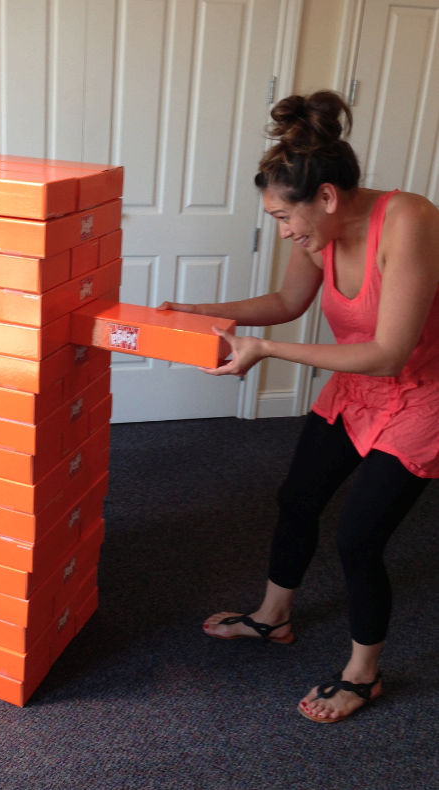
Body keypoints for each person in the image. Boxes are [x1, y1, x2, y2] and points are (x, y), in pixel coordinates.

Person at [158, 91, 439, 724]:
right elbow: (288, 301)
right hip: (356, 386)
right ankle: (272, 618)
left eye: (287, 218)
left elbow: (391, 353)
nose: (285, 231)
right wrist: (203, 314)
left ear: (328, 197)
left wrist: (266, 350)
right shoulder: (320, 227)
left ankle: (363, 676)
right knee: (297, 498)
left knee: (359, 539)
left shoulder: (410, 221)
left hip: (423, 394)